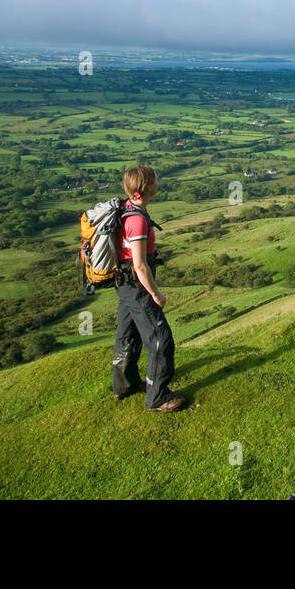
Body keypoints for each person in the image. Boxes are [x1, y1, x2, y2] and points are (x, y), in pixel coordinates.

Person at [111, 164, 184, 412]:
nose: (157, 181)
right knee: (159, 339)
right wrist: (155, 293)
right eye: (154, 179)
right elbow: (140, 265)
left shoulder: (127, 208)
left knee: (128, 334)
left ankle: (125, 385)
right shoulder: (137, 221)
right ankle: (158, 396)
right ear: (143, 190)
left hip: (124, 284)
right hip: (137, 285)